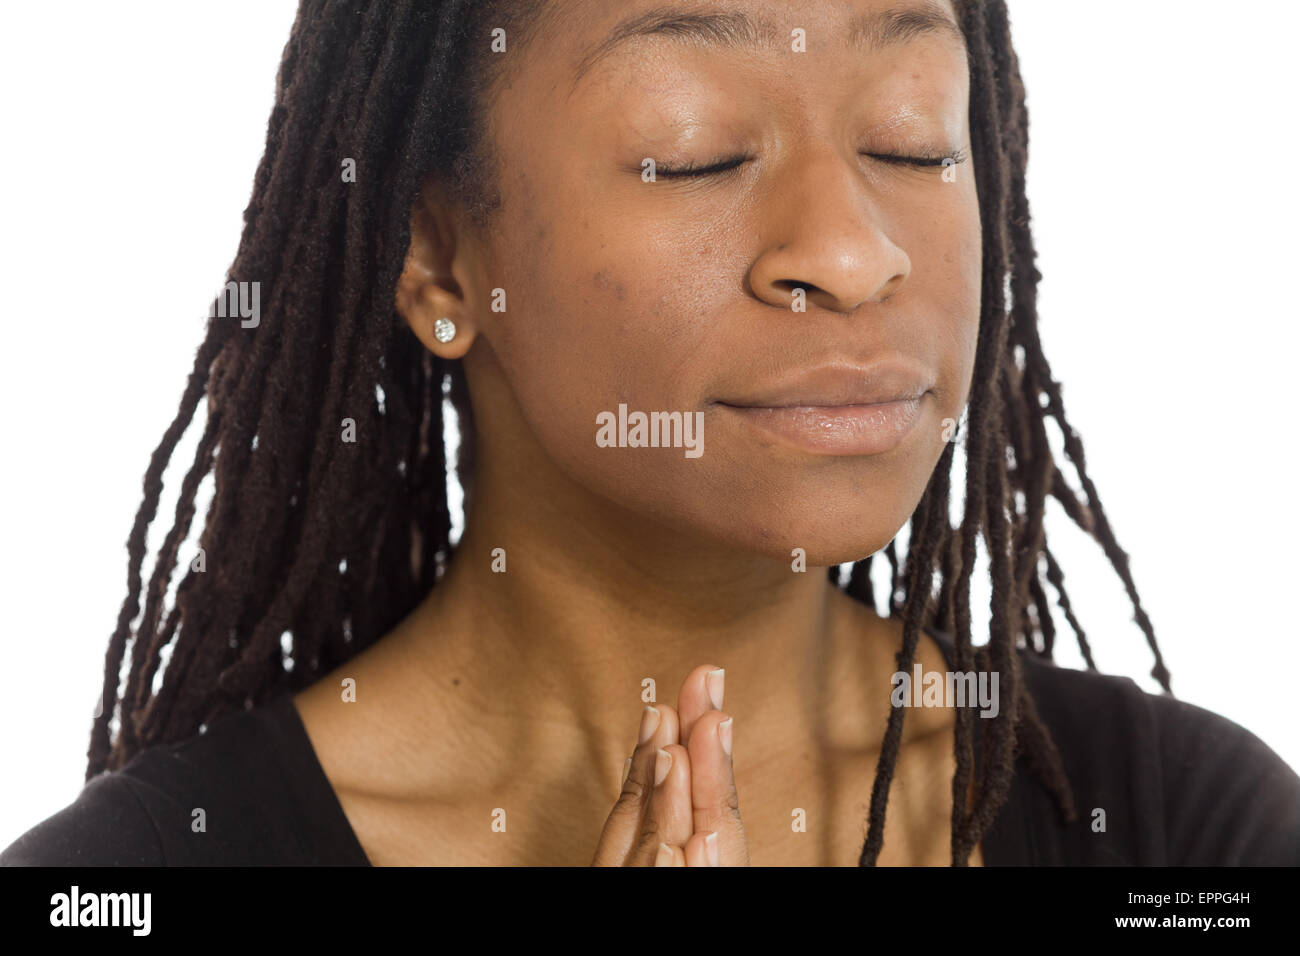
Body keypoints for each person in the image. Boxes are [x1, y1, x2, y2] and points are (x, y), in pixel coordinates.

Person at [4, 0, 1297, 867]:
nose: (850, 252)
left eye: (912, 141)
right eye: (694, 154)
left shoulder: (1183, 833)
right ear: (440, 256)